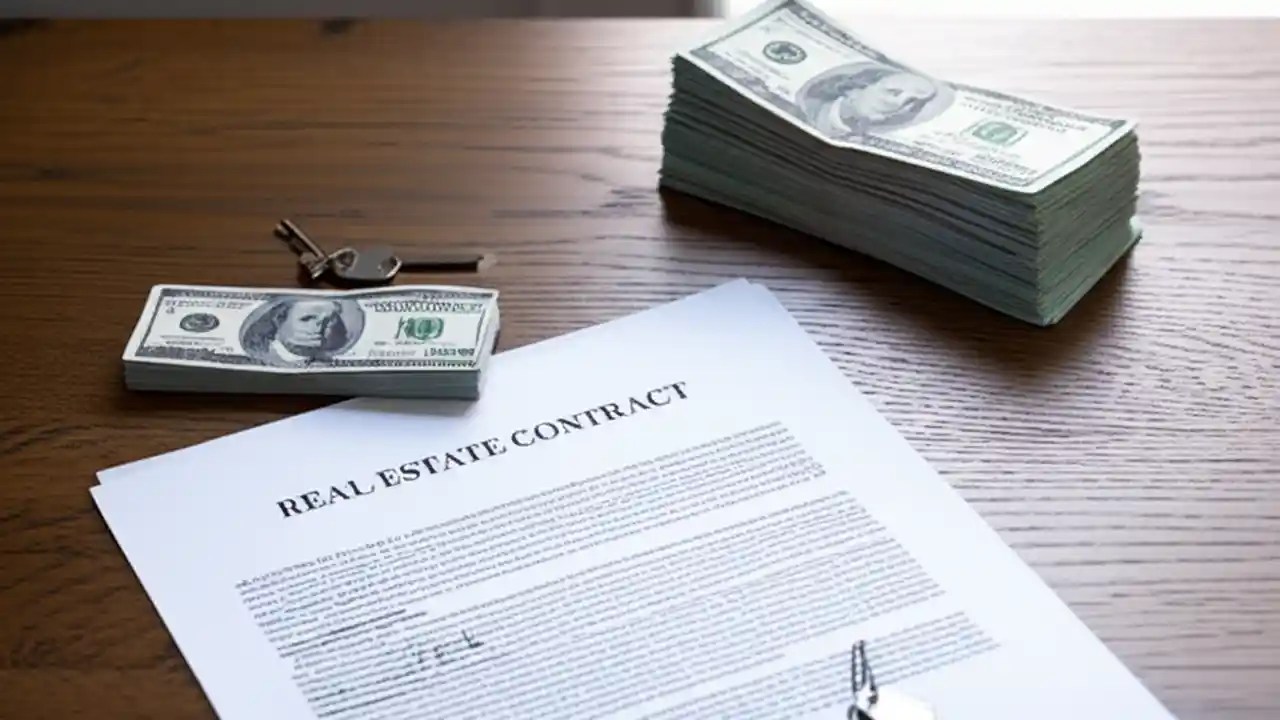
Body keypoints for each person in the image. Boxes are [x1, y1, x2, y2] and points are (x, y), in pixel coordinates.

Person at [799, 66, 942, 137]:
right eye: (893, 92)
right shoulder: (807, 109)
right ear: (855, 89)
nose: (899, 103)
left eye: (912, 101)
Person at [241, 298, 352, 366]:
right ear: (279, 320)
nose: (322, 327)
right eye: (307, 318)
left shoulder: (329, 359)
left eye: (330, 320)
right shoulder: (263, 356)